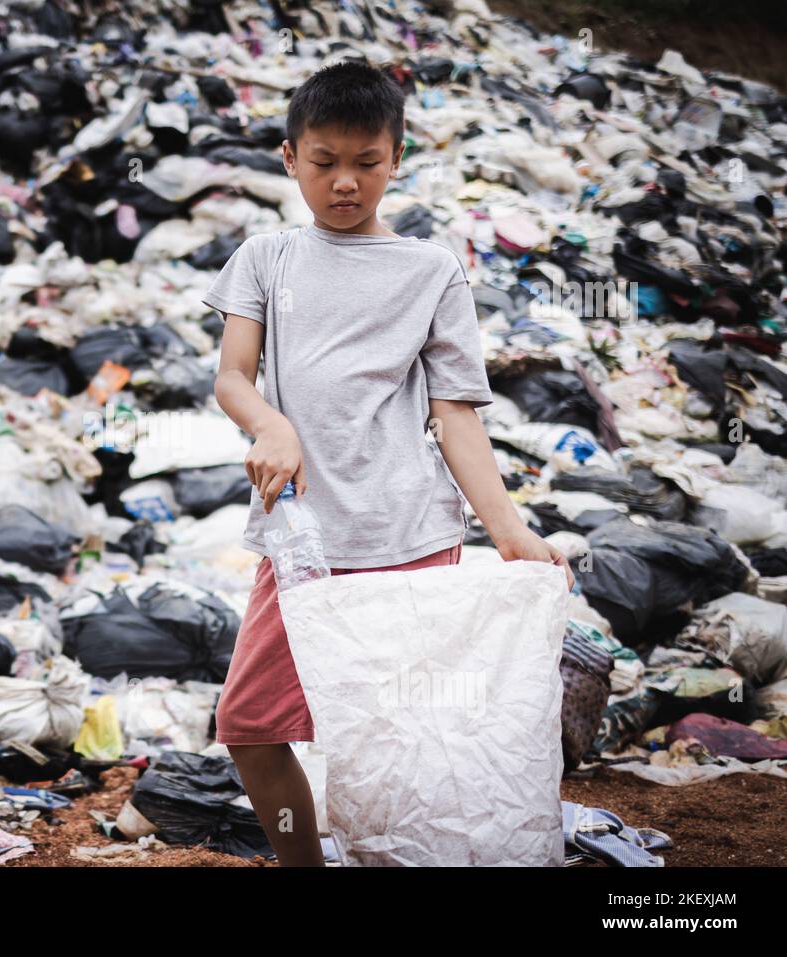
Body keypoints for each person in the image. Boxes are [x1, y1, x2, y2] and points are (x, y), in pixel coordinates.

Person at [203, 60, 576, 867]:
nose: (345, 182)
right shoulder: (266, 258)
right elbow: (233, 375)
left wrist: (509, 530)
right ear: (288, 157)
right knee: (250, 725)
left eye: (366, 163)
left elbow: (455, 415)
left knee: (406, 739)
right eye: (325, 161)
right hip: (303, 546)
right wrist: (271, 424)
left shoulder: (431, 270)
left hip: (411, 537)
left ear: (396, 158)